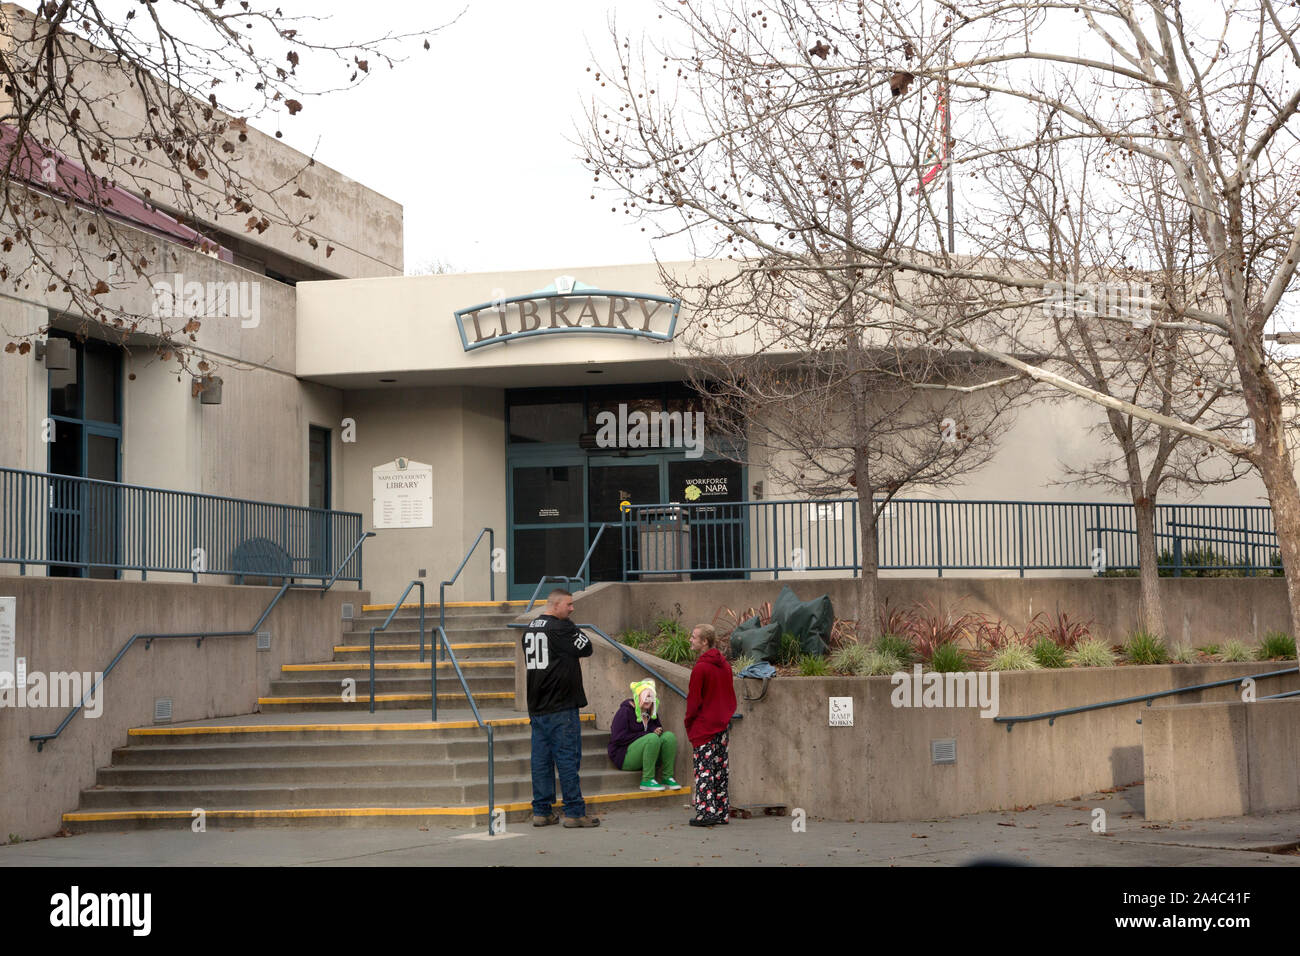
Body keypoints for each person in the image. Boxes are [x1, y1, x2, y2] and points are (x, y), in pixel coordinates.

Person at [522, 588, 599, 828]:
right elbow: (586, 647)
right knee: (567, 758)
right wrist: (573, 628)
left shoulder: (530, 629)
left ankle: (542, 811)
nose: (572, 608)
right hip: (561, 706)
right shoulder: (561, 627)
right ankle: (575, 812)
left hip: (537, 706)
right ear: (556, 605)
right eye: (569, 604)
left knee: (541, 760)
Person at [684, 623, 737, 827]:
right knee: (719, 771)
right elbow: (729, 695)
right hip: (721, 726)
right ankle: (721, 811)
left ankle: (706, 813)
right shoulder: (725, 665)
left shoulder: (701, 668)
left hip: (704, 727)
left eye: (694, 636)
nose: (691, 639)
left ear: (704, 641)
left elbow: (694, 702)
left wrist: (689, 724)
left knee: (704, 770)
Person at [607, 679, 682, 791]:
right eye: (645, 696)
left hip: (646, 755)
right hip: (624, 756)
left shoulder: (650, 711)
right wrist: (647, 734)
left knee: (669, 737)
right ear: (638, 696)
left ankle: (667, 777)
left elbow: (656, 734)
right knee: (651, 738)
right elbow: (618, 738)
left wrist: (657, 730)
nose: (648, 700)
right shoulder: (625, 711)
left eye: (651, 697)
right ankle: (647, 780)